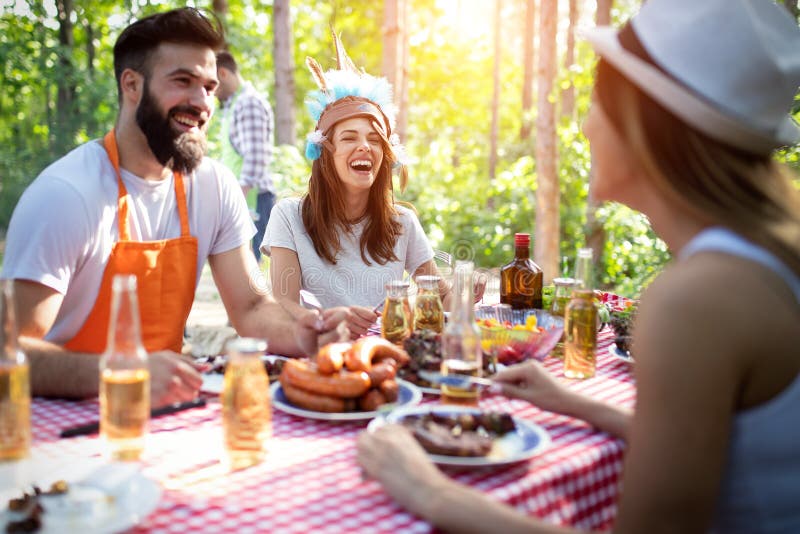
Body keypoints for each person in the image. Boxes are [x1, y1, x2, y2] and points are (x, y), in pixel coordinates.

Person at [357, 0, 800, 532]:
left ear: (644, 127)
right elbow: (714, 443)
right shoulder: (764, 261)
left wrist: (430, 493)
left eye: (596, 104)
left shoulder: (698, 299)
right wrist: (576, 404)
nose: (587, 128)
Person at [0, 7, 346, 408]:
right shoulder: (66, 195)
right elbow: (9, 352)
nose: (201, 103)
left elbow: (252, 307)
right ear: (132, 84)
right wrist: (128, 373)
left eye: (210, 87)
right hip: (61, 419)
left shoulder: (214, 186)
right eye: (183, 81)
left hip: (168, 408)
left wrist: (301, 334)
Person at [261, 32, 479, 338]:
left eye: (375, 140)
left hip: (387, 350)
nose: (365, 146)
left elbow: (442, 298)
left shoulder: (403, 223)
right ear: (325, 153)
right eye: (349, 138)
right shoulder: (288, 215)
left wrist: (466, 294)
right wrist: (327, 320)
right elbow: (283, 304)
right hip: (320, 349)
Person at [215, 50, 276, 263]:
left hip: (251, 198)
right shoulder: (234, 104)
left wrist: (238, 197)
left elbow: (256, 156)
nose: (211, 92)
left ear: (223, 73)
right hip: (242, 197)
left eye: (212, 84)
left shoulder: (248, 103)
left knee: (249, 268)